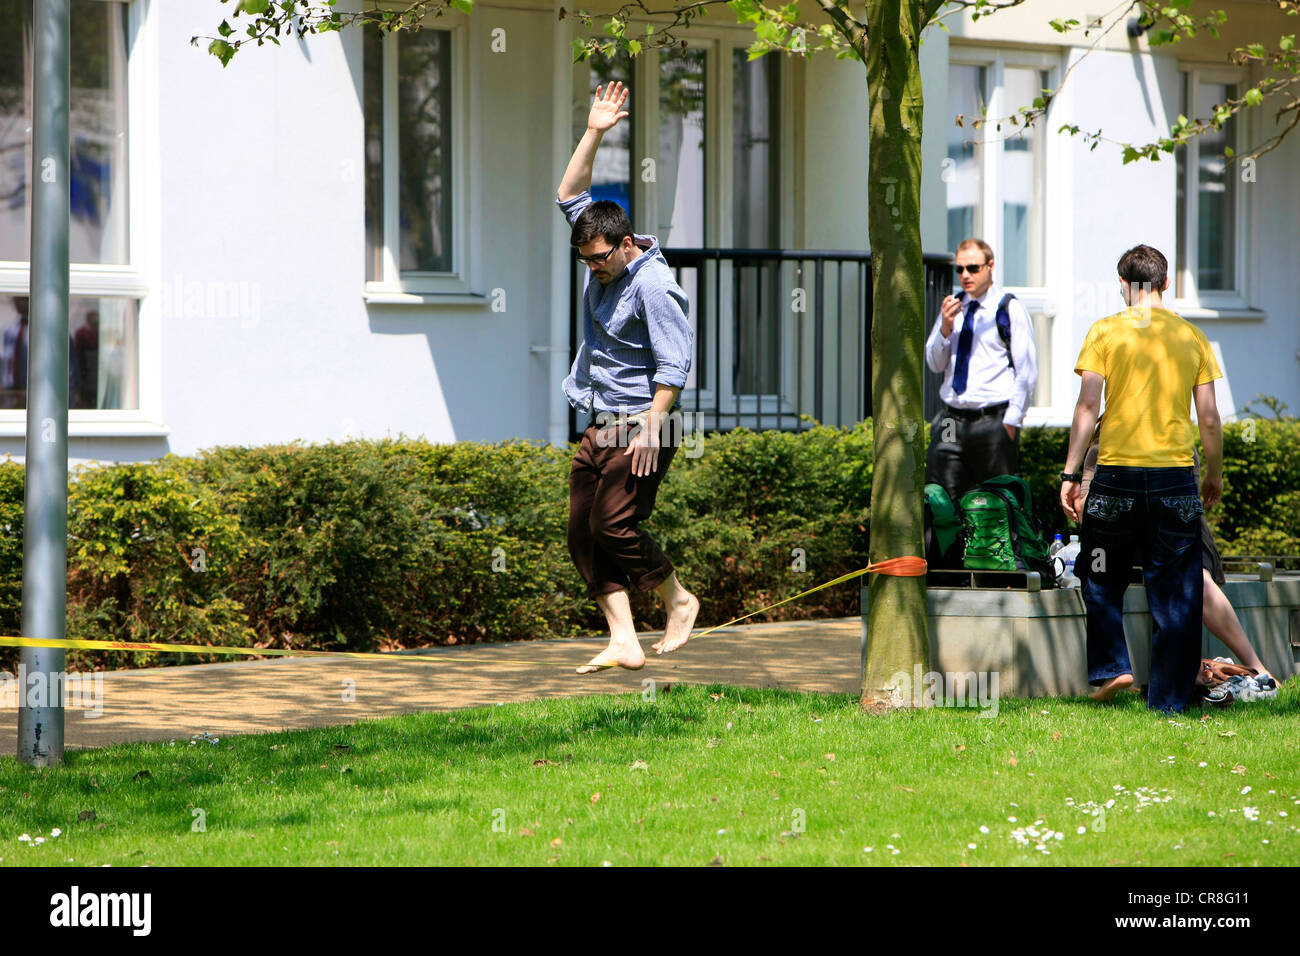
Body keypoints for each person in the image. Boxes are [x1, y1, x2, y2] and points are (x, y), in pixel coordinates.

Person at [557, 81, 699, 675]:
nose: (591, 269)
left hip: (644, 422)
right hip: (602, 418)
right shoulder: (600, 241)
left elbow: (676, 364)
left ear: (624, 245)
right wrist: (595, 130)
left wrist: (651, 427)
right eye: (583, 259)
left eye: (597, 259)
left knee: (614, 523)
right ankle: (623, 638)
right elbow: (569, 193)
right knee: (580, 533)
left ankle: (678, 598)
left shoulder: (655, 285)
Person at [1060, 244, 1223, 712]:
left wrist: (1072, 472)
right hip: (1175, 478)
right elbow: (1208, 418)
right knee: (1176, 590)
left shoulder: (1105, 331)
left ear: (1122, 284)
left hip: (1116, 476)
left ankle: (1113, 667)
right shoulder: (1192, 337)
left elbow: (1088, 406)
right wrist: (1213, 473)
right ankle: (1169, 703)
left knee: (1099, 574)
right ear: (1165, 284)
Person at [1079, 420, 1277, 686]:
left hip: (1171, 530)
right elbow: (1085, 505)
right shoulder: (1105, 444)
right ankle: (1173, 672)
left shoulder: (1173, 442)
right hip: (1133, 536)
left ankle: (1254, 666)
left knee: (1196, 579)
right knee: (1106, 571)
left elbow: (1186, 503)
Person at [924, 238, 1038, 504]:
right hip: (952, 418)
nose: (965, 275)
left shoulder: (1008, 308)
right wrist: (945, 328)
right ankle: (949, 548)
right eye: (960, 269)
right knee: (941, 503)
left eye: (973, 268)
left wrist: (1011, 421)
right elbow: (934, 363)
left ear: (990, 266)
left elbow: (1027, 371)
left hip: (992, 419)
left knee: (1000, 503)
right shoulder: (952, 308)